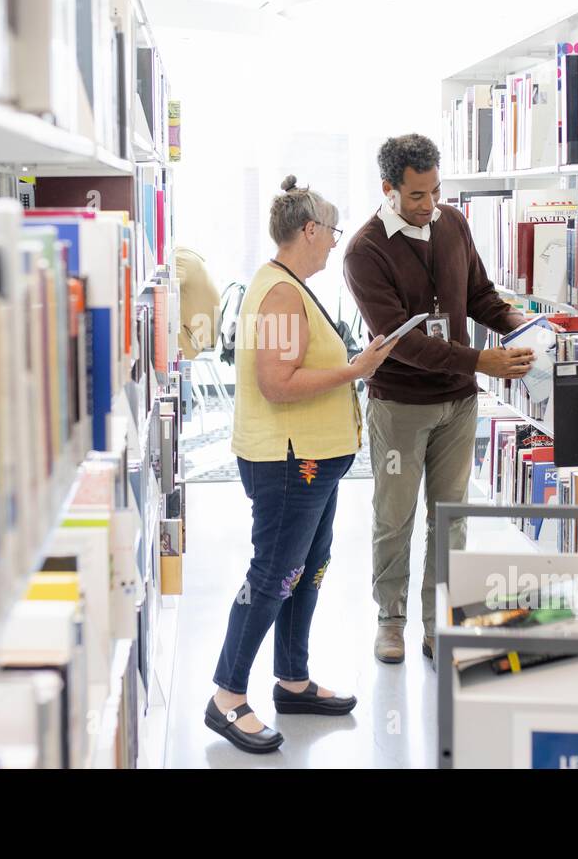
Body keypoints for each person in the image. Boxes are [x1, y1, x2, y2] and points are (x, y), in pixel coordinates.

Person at [205, 175, 399, 754]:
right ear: (309, 230)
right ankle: (226, 697)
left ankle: (292, 679)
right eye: (332, 231)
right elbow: (277, 383)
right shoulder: (283, 294)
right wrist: (354, 369)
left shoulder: (290, 285)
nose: (336, 242)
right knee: (273, 576)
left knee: (306, 572)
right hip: (291, 463)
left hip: (316, 460)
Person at [343, 134, 536, 664]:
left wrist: (516, 322)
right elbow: (400, 342)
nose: (430, 206)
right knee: (394, 518)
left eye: (435, 192)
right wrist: (480, 361)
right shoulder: (364, 251)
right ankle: (391, 619)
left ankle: (439, 624)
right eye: (417, 196)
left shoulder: (453, 224)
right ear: (389, 189)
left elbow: (478, 294)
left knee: (450, 519)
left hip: (458, 403)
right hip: (400, 405)